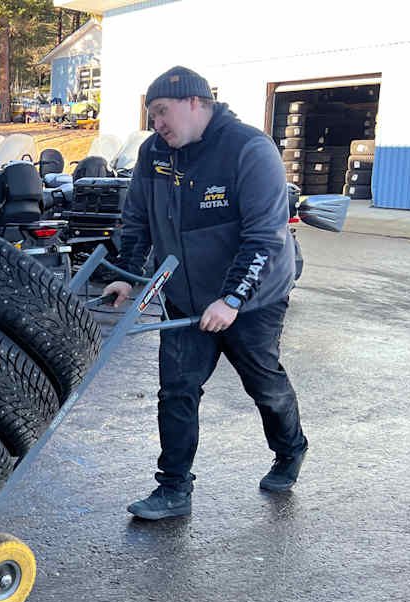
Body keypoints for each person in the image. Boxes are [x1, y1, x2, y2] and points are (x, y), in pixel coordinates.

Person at [102, 66, 308, 520]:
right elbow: (137, 220)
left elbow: (264, 236)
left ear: (196, 103)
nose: (156, 123)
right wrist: (128, 274)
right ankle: (174, 488)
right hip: (184, 297)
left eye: (162, 112)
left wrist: (232, 298)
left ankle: (290, 448)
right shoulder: (155, 153)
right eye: (152, 115)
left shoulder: (249, 149)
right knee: (176, 390)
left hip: (253, 299)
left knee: (262, 383)